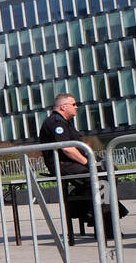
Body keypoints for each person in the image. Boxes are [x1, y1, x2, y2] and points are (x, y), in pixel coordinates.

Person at [37, 92, 94, 226]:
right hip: (62, 164)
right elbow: (67, 148)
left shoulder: (65, 122)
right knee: (100, 176)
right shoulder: (56, 122)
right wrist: (88, 162)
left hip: (70, 163)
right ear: (63, 107)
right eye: (73, 104)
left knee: (108, 172)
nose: (76, 107)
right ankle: (102, 217)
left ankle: (96, 213)